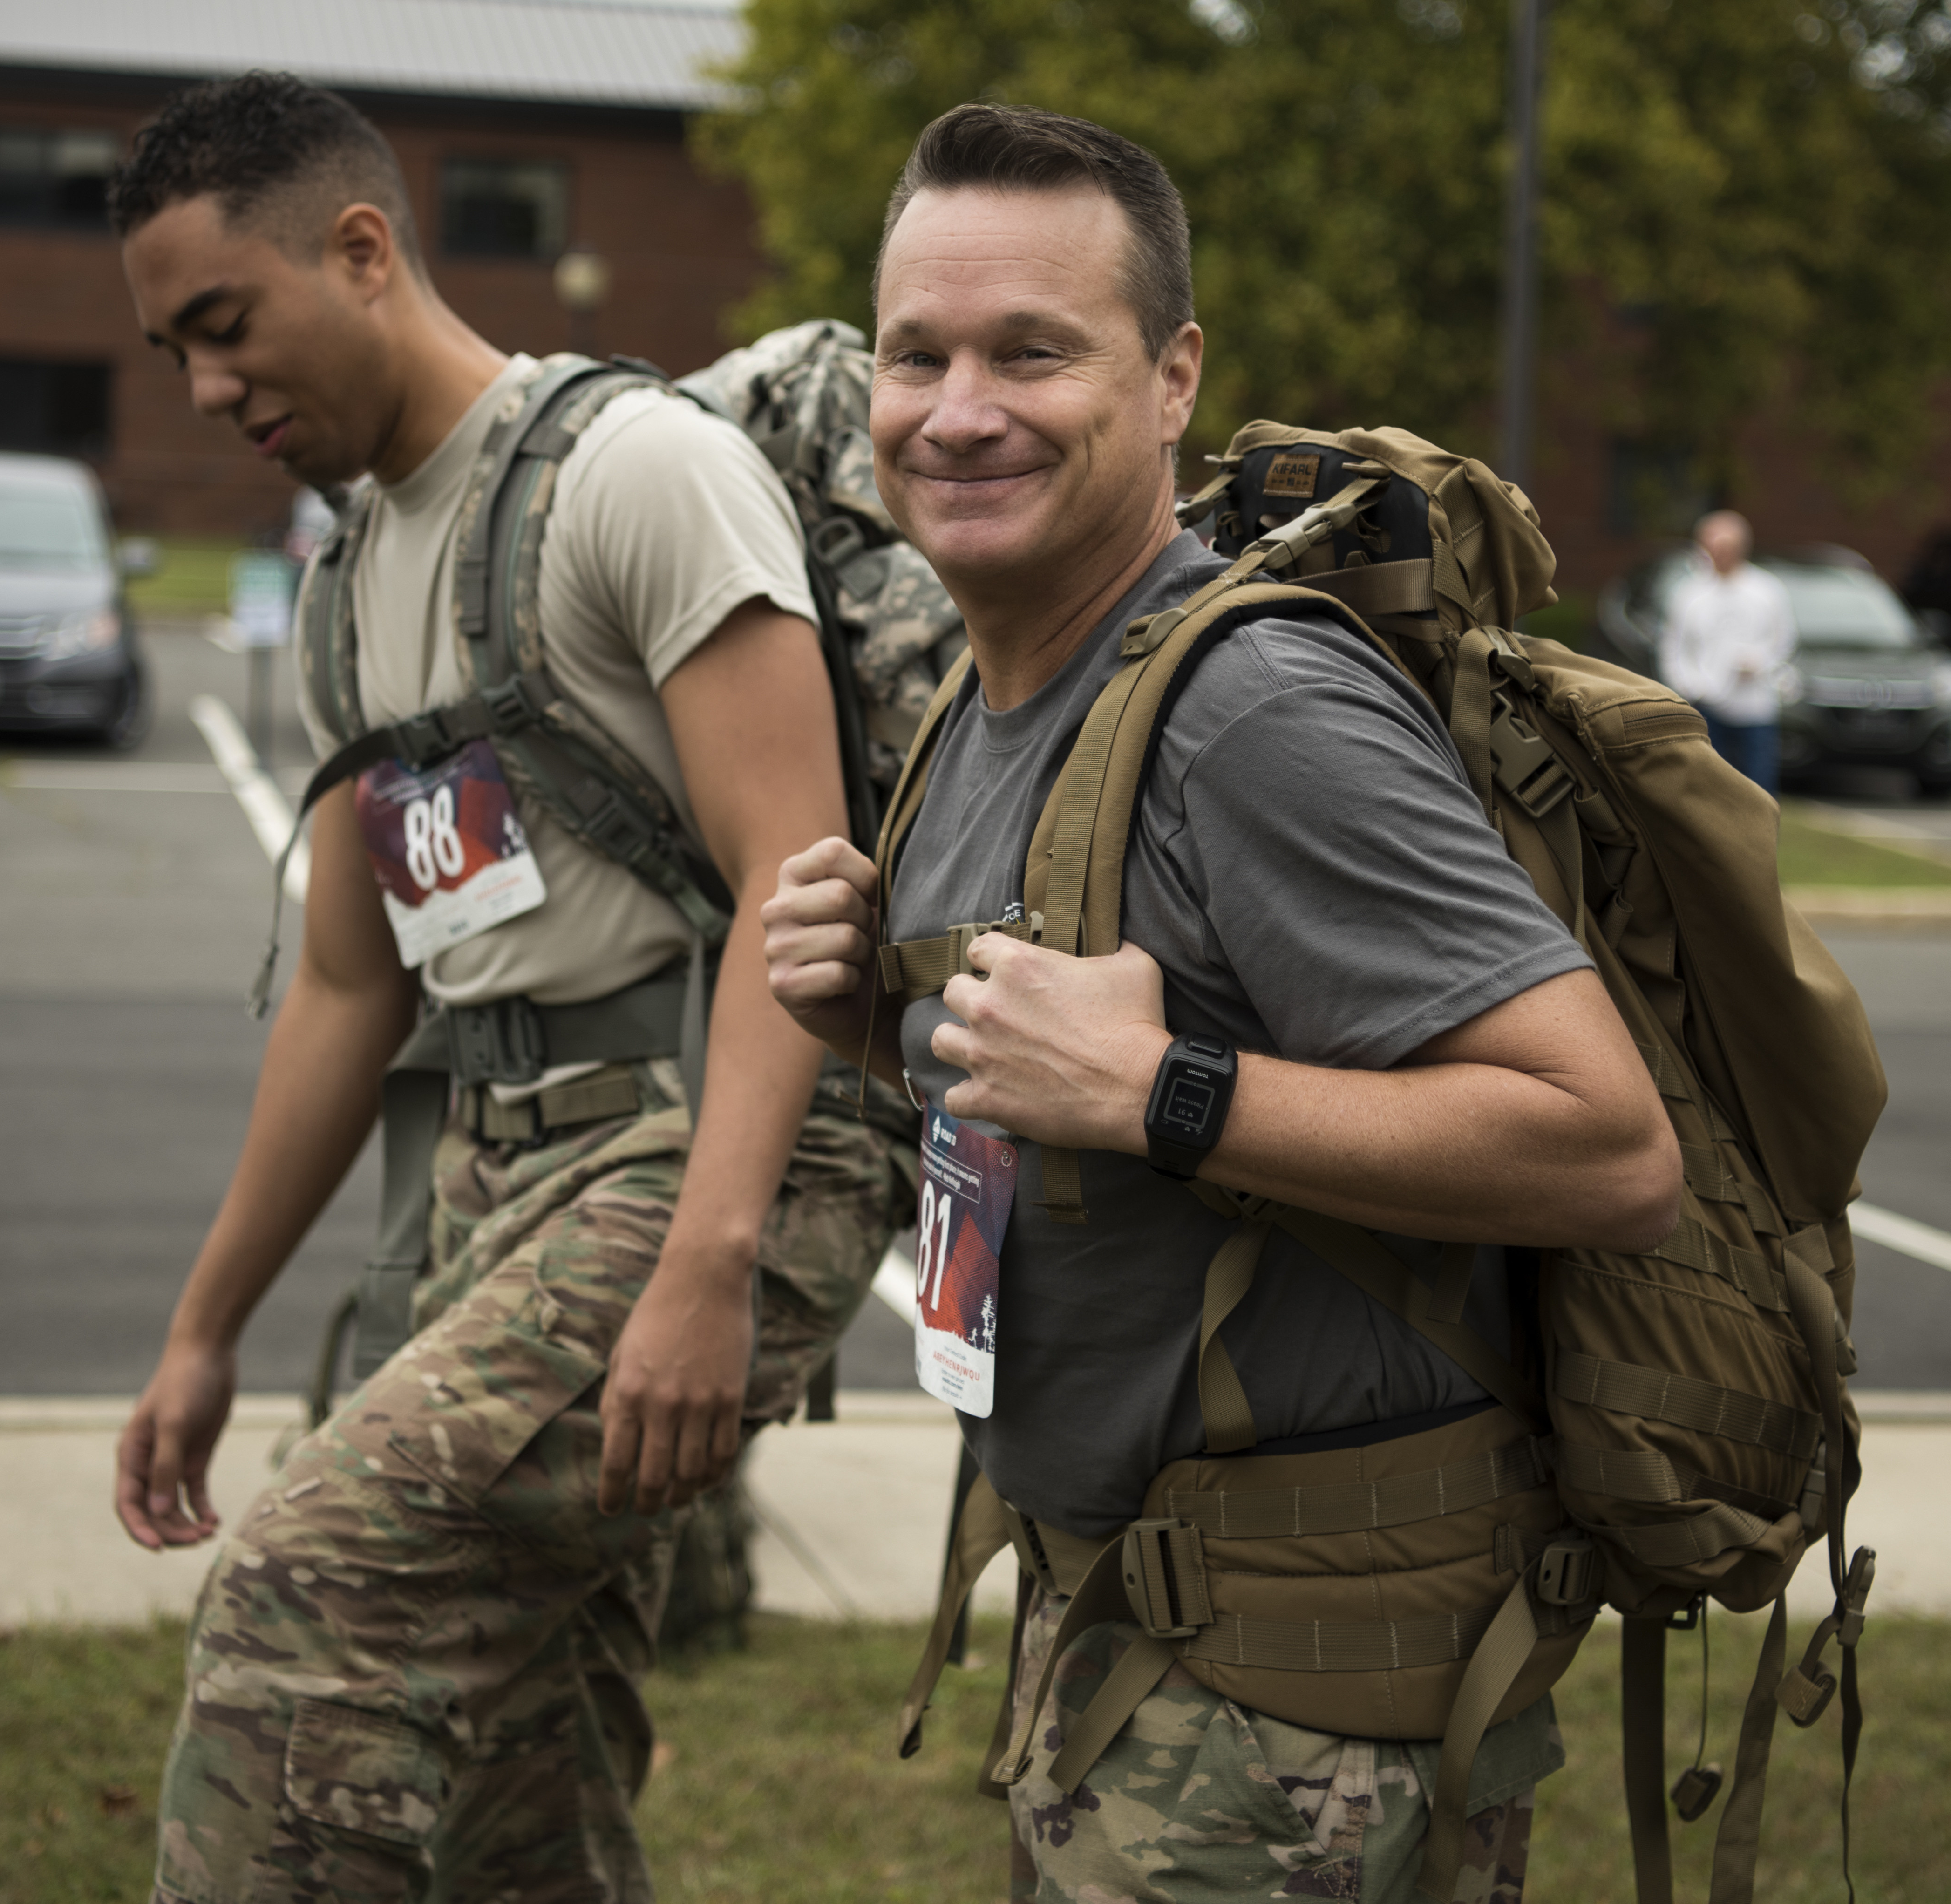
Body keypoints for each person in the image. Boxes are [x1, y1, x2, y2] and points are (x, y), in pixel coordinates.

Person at [761, 104, 1679, 1900]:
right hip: (1121, 1638)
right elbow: (1072, 1092)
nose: (959, 409)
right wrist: (883, 1024)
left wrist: (1169, 1087)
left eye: (1037, 350)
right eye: (918, 353)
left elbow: (1607, 1142)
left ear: (1173, 380)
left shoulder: (1257, 714)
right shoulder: (991, 686)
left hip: (1291, 1716)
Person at [105, 73, 908, 1904]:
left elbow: (803, 887)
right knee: (514, 1759)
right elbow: (343, 989)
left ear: (362, 248)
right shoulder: (343, 587)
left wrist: (713, 1263)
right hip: (501, 1177)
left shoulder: (629, 477)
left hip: (703, 1152)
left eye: (223, 326)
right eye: (170, 352)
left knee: (313, 1587)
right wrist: (205, 1325)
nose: (205, 388)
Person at [1660, 509, 1795, 792]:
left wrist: (1760, 663)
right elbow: (1673, 647)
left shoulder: (1767, 591)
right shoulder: (1690, 594)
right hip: (1705, 705)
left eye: (1726, 547)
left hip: (1755, 707)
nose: (1719, 554)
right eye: (1712, 546)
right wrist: (1689, 686)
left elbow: (1783, 642)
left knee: (1757, 785)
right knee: (1708, 784)